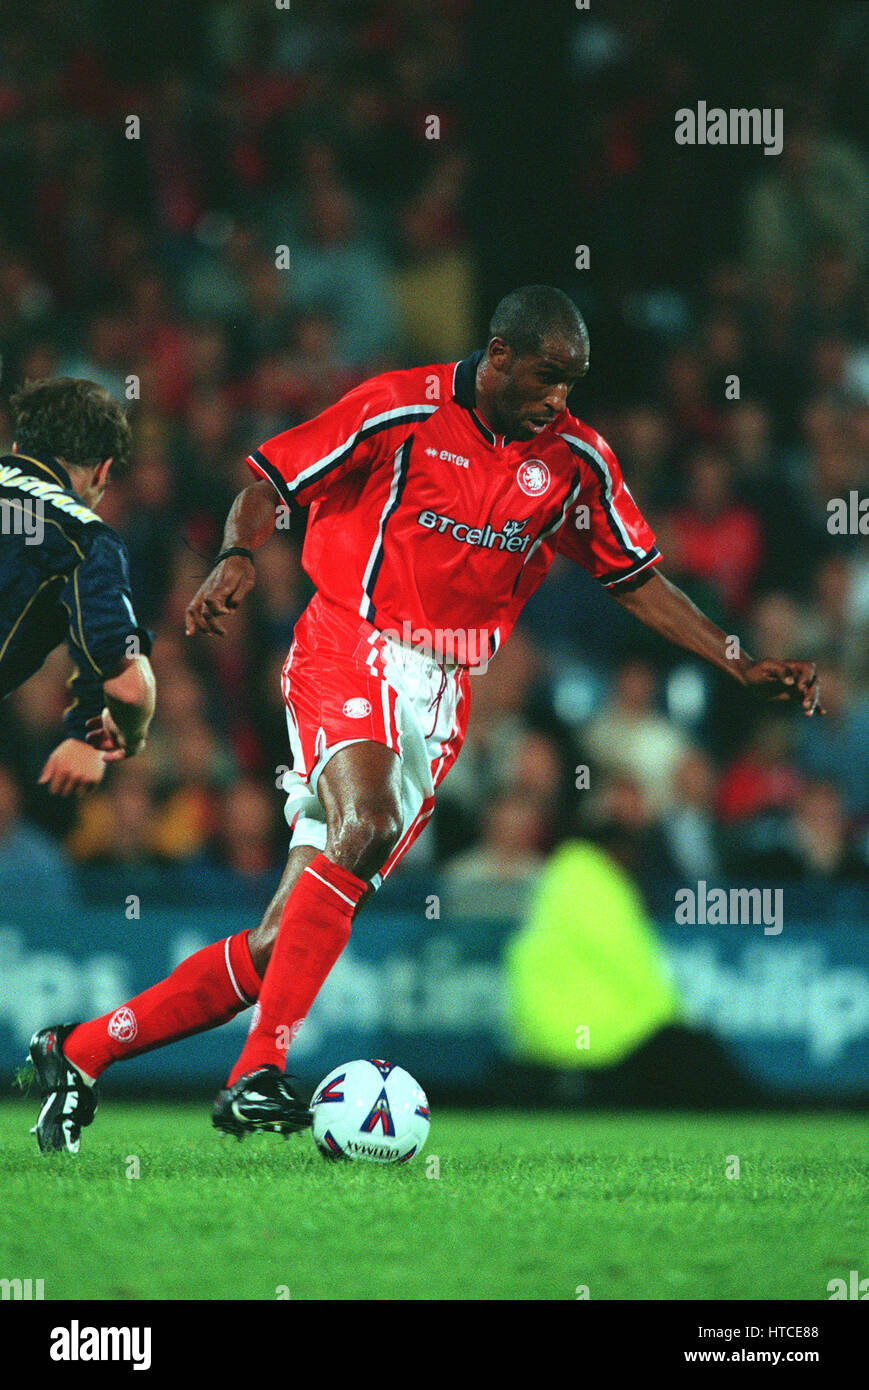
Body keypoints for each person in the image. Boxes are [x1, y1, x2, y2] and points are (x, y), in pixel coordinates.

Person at [28, 287, 822, 1153]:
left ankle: (79, 1051)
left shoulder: (576, 462)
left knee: (277, 942)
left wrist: (735, 660)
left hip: (445, 697)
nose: (559, 397)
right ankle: (257, 1073)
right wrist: (235, 554)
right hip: (349, 639)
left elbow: (634, 575)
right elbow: (270, 477)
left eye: (575, 383)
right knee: (362, 823)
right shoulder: (397, 405)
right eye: (548, 377)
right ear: (500, 355)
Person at [0, 378, 156, 796]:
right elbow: (129, 685)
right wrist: (114, 736)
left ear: (18, 448)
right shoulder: (84, 537)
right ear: (103, 471)